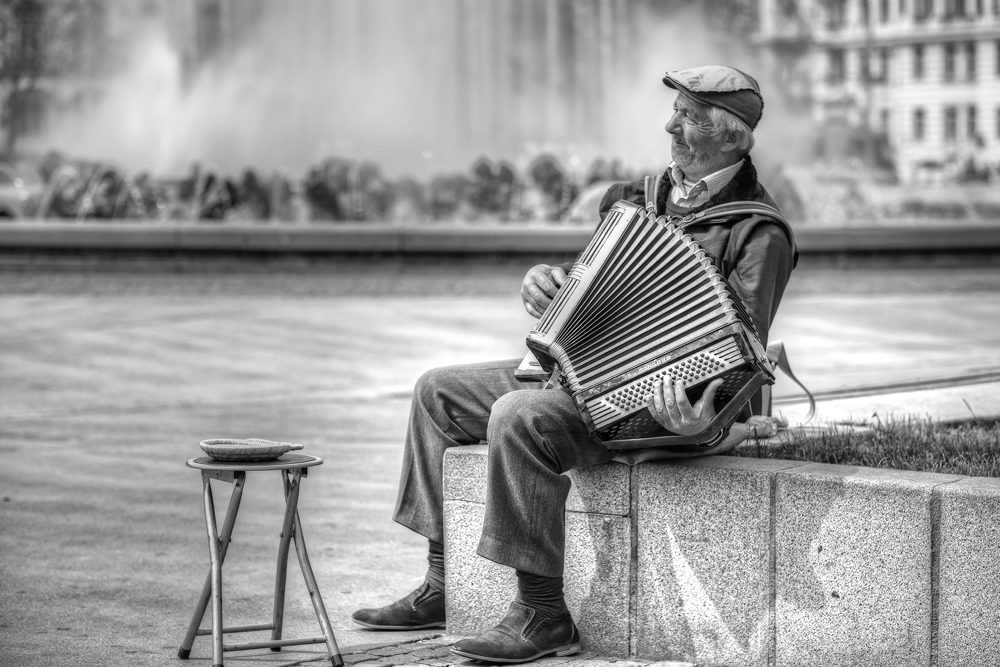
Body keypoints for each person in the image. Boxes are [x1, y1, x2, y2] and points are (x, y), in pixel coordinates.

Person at [351, 65, 796, 664]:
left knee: (519, 414)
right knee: (436, 392)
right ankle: (442, 581)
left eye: (689, 117)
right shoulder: (634, 198)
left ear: (729, 136)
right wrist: (547, 285)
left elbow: (742, 354)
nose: (671, 126)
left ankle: (543, 615)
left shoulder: (757, 232)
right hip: (581, 373)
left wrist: (697, 418)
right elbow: (588, 292)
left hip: (661, 406)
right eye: (677, 113)